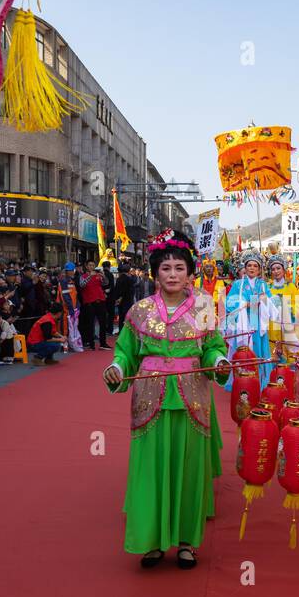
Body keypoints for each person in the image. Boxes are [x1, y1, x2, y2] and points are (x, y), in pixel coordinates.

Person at [103, 230, 230, 570]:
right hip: (149, 397)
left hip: (192, 396)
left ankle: (187, 542)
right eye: (165, 268)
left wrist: (218, 362)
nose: (172, 275)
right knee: (150, 470)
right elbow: (125, 352)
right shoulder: (139, 311)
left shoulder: (203, 306)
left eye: (179, 268)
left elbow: (213, 346)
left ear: (190, 273)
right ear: (154, 273)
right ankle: (152, 541)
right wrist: (116, 367)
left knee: (190, 469)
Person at [222, 251, 277, 389]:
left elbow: (272, 302)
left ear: (259, 270)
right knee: (242, 350)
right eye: (249, 265)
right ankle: (241, 381)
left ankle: (259, 382)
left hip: (257, 323)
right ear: (245, 268)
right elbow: (229, 301)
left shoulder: (263, 285)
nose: (252, 268)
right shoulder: (238, 284)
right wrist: (241, 303)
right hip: (242, 323)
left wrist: (263, 300)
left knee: (258, 351)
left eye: (255, 266)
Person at [266, 255, 299, 361]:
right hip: (272, 325)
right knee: (272, 348)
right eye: (273, 269)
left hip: (287, 325)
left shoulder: (291, 287)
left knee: (287, 353)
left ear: (283, 270)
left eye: (278, 268)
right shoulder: (268, 288)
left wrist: (285, 308)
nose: (276, 271)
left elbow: (298, 307)